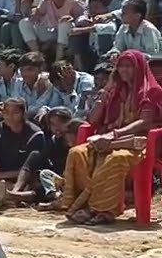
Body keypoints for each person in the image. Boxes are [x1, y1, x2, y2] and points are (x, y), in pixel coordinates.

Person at [60, 49, 162, 224]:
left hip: (139, 143)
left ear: (139, 67)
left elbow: (145, 122)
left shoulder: (151, 91)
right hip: (110, 139)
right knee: (77, 153)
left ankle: (103, 210)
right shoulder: (115, 91)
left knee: (115, 158)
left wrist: (114, 135)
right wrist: (105, 92)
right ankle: (80, 205)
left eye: (129, 66)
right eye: (121, 66)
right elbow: (92, 120)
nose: (124, 70)